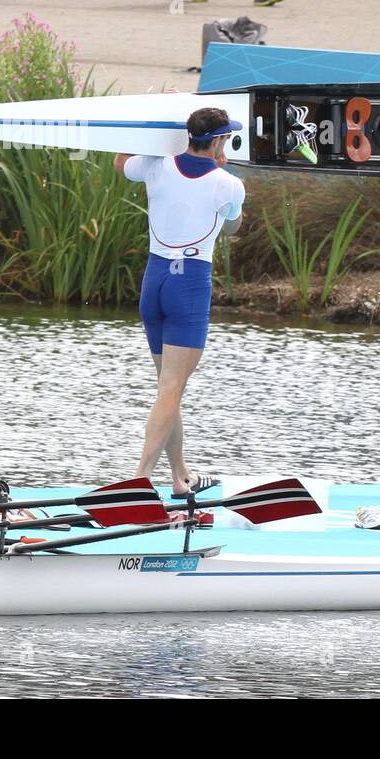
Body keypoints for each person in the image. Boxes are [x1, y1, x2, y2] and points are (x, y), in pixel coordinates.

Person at [114, 108, 247, 497]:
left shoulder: (155, 166)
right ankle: (139, 479)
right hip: (188, 286)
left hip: (153, 282)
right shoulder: (229, 184)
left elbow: (120, 162)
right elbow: (235, 226)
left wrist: (155, 122)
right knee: (171, 388)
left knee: (167, 389)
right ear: (220, 142)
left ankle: (180, 476)